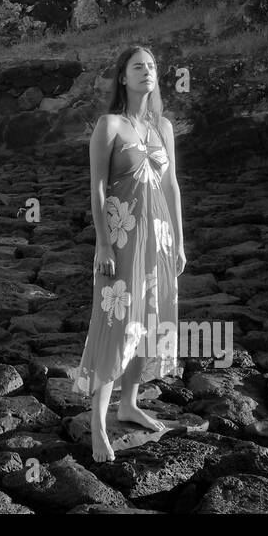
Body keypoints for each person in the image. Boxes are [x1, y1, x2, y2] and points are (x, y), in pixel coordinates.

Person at [68, 45, 186, 462]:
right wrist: (101, 241)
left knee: (151, 321)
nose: (147, 72)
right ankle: (98, 424)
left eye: (152, 66)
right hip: (122, 238)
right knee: (117, 321)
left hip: (161, 239)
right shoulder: (110, 125)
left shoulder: (163, 127)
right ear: (123, 77)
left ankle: (129, 403)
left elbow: (171, 187)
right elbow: (98, 187)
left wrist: (181, 241)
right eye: (138, 66)